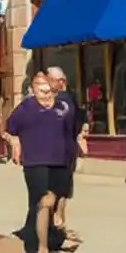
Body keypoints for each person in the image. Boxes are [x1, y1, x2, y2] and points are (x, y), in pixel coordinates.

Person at [3, 71, 78, 253]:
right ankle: (41, 249)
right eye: (39, 87)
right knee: (44, 201)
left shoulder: (64, 107)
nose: (44, 92)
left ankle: (47, 237)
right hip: (35, 162)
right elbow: (8, 129)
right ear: (33, 89)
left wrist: (77, 149)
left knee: (52, 202)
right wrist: (15, 143)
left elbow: (71, 132)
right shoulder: (26, 108)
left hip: (61, 162)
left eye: (47, 87)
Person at [46, 66, 89, 242]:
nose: (48, 84)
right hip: (65, 151)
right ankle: (57, 225)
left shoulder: (60, 102)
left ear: (60, 82)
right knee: (61, 190)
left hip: (57, 153)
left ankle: (56, 226)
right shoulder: (69, 100)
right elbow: (80, 125)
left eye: (50, 81)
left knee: (55, 191)